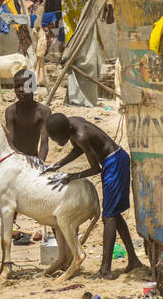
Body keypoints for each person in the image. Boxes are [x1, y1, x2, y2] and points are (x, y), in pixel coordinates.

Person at [40, 113, 145, 278]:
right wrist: (59, 164)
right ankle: (133, 260)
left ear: (67, 130)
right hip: (113, 161)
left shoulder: (81, 135)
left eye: (60, 139)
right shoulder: (73, 123)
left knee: (108, 216)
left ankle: (105, 270)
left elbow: (96, 169)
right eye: (55, 140)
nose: (59, 143)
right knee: (113, 213)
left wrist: (72, 175)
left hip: (114, 162)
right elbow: (79, 150)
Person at [4, 68, 50, 160]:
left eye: (25, 86)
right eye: (17, 86)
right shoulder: (11, 111)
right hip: (14, 159)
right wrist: (19, 160)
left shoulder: (43, 111)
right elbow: (10, 142)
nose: (21, 89)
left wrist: (39, 164)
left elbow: (44, 143)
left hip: (34, 158)